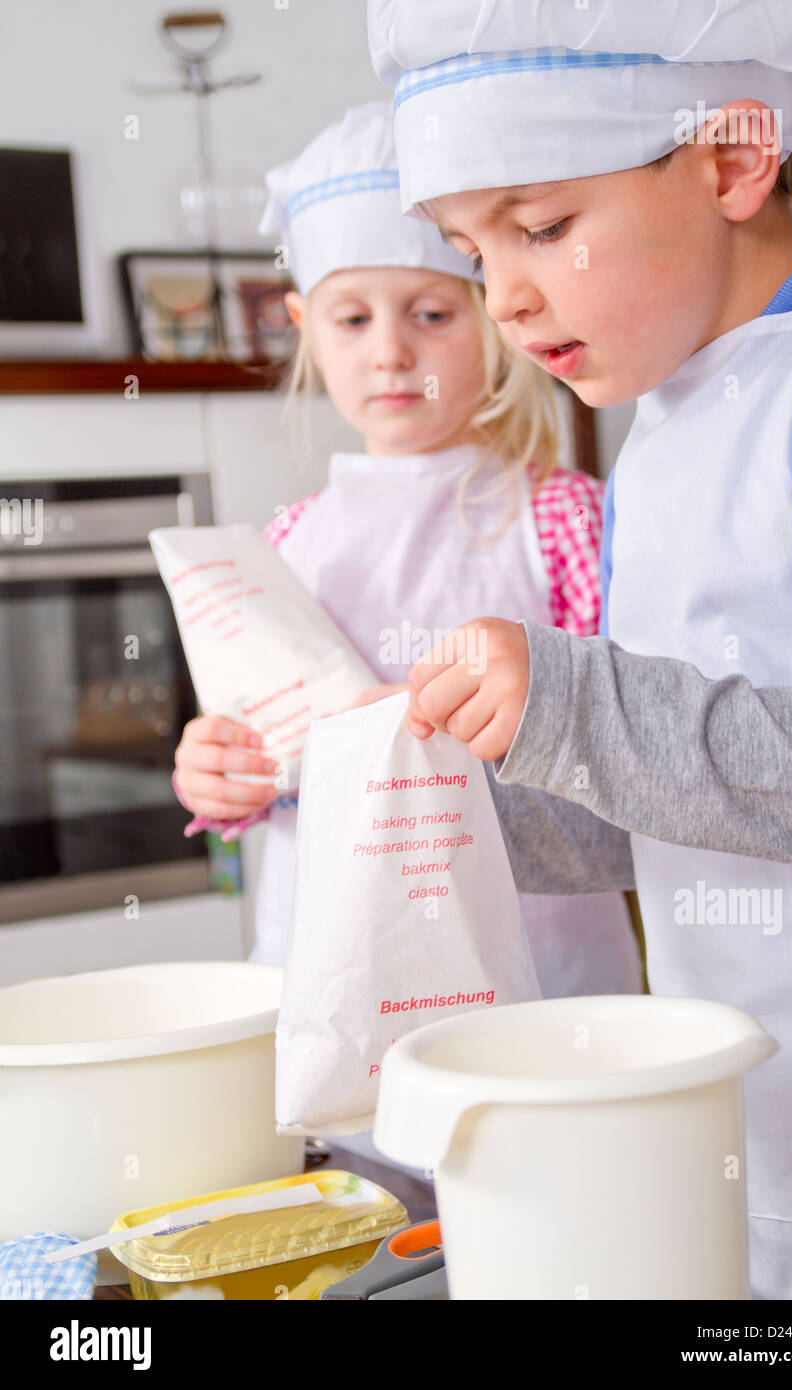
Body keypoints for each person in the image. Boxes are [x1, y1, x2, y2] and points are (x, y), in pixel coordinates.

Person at [368, 0, 792, 1300]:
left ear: (732, 159)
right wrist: (455, 780)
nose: (504, 298)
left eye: (539, 227)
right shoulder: (661, 420)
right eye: (469, 250)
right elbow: (688, 797)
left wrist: (573, 707)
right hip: (740, 1121)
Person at [171, 101, 643, 1000]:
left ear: (495, 315)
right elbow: (261, 750)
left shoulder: (566, 520)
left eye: (430, 314)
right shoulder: (281, 544)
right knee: (347, 1147)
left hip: (541, 977)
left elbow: (624, 748)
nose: (391, 353)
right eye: (351, 321)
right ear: (304, 325)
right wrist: (218, 772)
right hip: (336, 969)